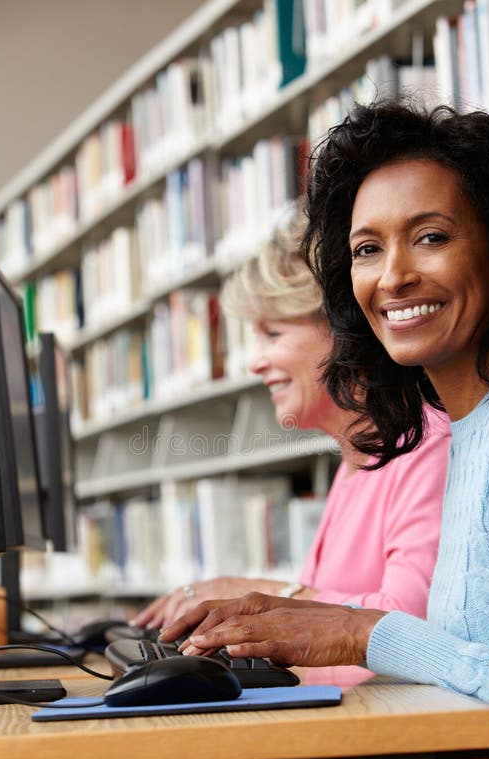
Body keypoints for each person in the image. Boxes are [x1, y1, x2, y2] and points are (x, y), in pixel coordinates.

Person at [160, 100, 489, 759]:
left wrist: (366, 633)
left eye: (431, 237)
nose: (395, 275)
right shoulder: (463, 426)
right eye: (368, 248)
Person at [131, 206, 450, 689]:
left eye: (273, 333)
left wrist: (262, 595)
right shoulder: (356, 458)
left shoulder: (425, 445)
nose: (255, 363)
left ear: (344, 332)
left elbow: (409, 631)